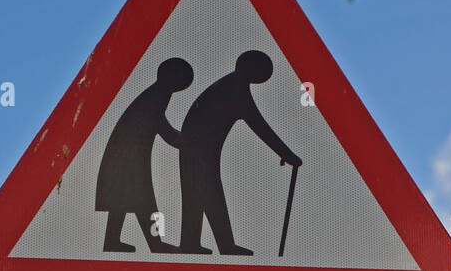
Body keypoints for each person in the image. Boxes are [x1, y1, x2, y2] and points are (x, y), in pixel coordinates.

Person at [177, 50, 301, 255]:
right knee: (207, 195)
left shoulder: (230, 85)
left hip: (198, 149)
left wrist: (287, 154)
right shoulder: (235, 90)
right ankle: (220, 245)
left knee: (199, 195)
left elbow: (257, 124)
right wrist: (288, 155)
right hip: (198, 150)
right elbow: (259, 125)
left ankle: (195, 243)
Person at [95, 57, 194, 252]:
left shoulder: (155, 93)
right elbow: (161, 126)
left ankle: (116, 241)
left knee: (124, 201)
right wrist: (187, 141)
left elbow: (158, 124)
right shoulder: (157, 96)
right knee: (141, 201)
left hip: (126, 156)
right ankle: (154, 244)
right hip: (128, 158)